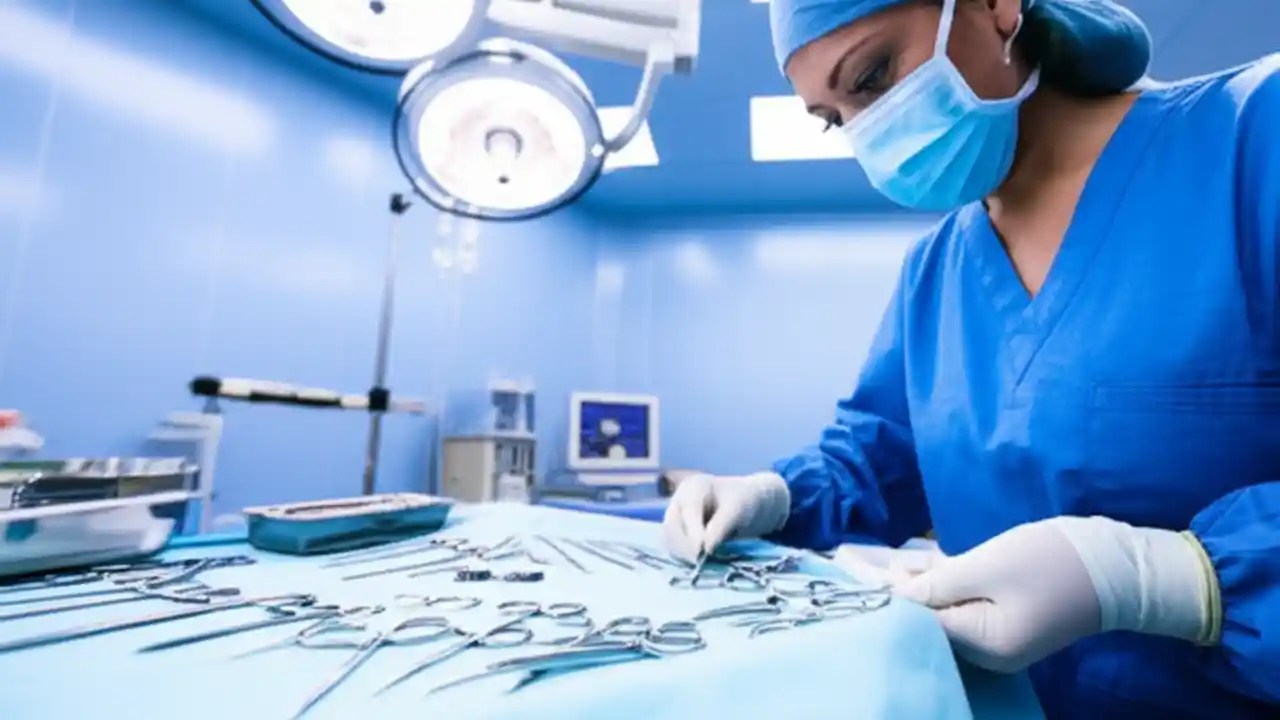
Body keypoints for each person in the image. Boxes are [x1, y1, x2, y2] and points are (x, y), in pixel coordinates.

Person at [662, 0, 1279, 716]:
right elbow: (878, 457)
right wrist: (776, 495)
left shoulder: (1252, 141)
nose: (866, 132)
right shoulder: (936, 271)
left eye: (871, 75)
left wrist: (1175, 581)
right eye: (834, 120)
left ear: (996, 7)